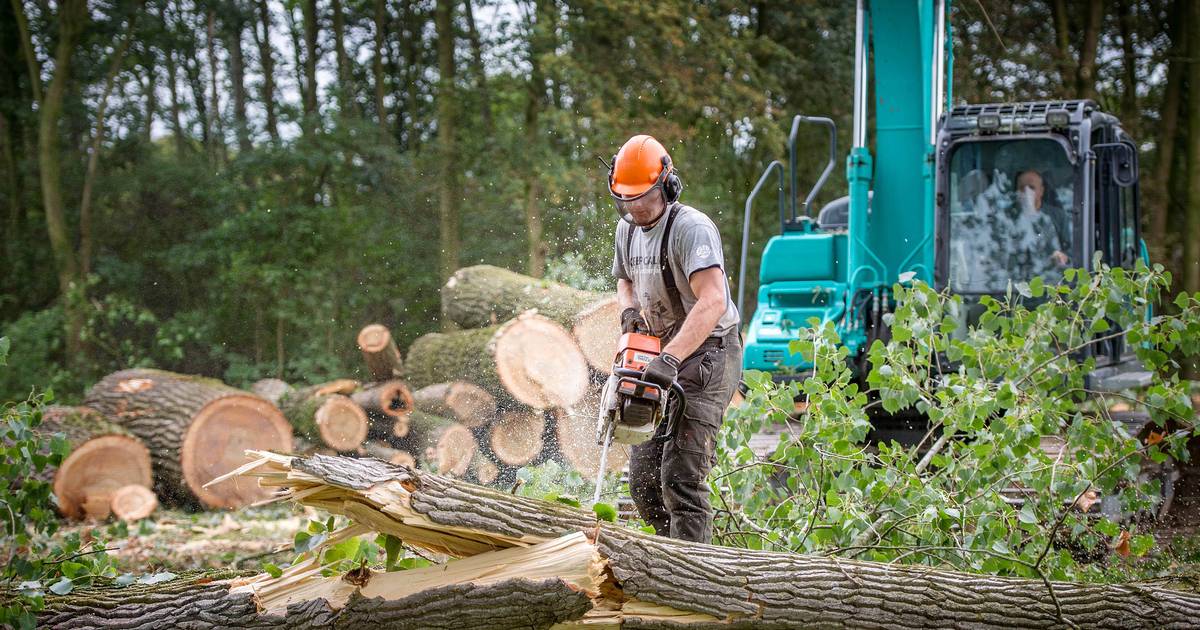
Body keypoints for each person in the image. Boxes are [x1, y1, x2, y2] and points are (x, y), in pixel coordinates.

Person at [608, 134, 741, 544]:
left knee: (681, 480)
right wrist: (629, 312)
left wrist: (671, 358)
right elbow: (624, 279)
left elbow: (714, 299)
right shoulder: (627, 230)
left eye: (643, 198)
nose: (634, 208)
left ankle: (693, 579)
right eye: (626, 199)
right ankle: (668, 562)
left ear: (667, 185)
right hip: (659, 356)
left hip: (708, 357)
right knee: (645, 484)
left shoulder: (691, 229)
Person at [1009, 170, 1069, 281]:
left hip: (1047, 285)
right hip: (1011, 286)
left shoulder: (1058, 217)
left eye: (1031, 187)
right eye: (1022, 188)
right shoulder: (1006, 218)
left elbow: (1070, 251)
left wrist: (1060, 257)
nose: (1027, 192)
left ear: (1041, 191)